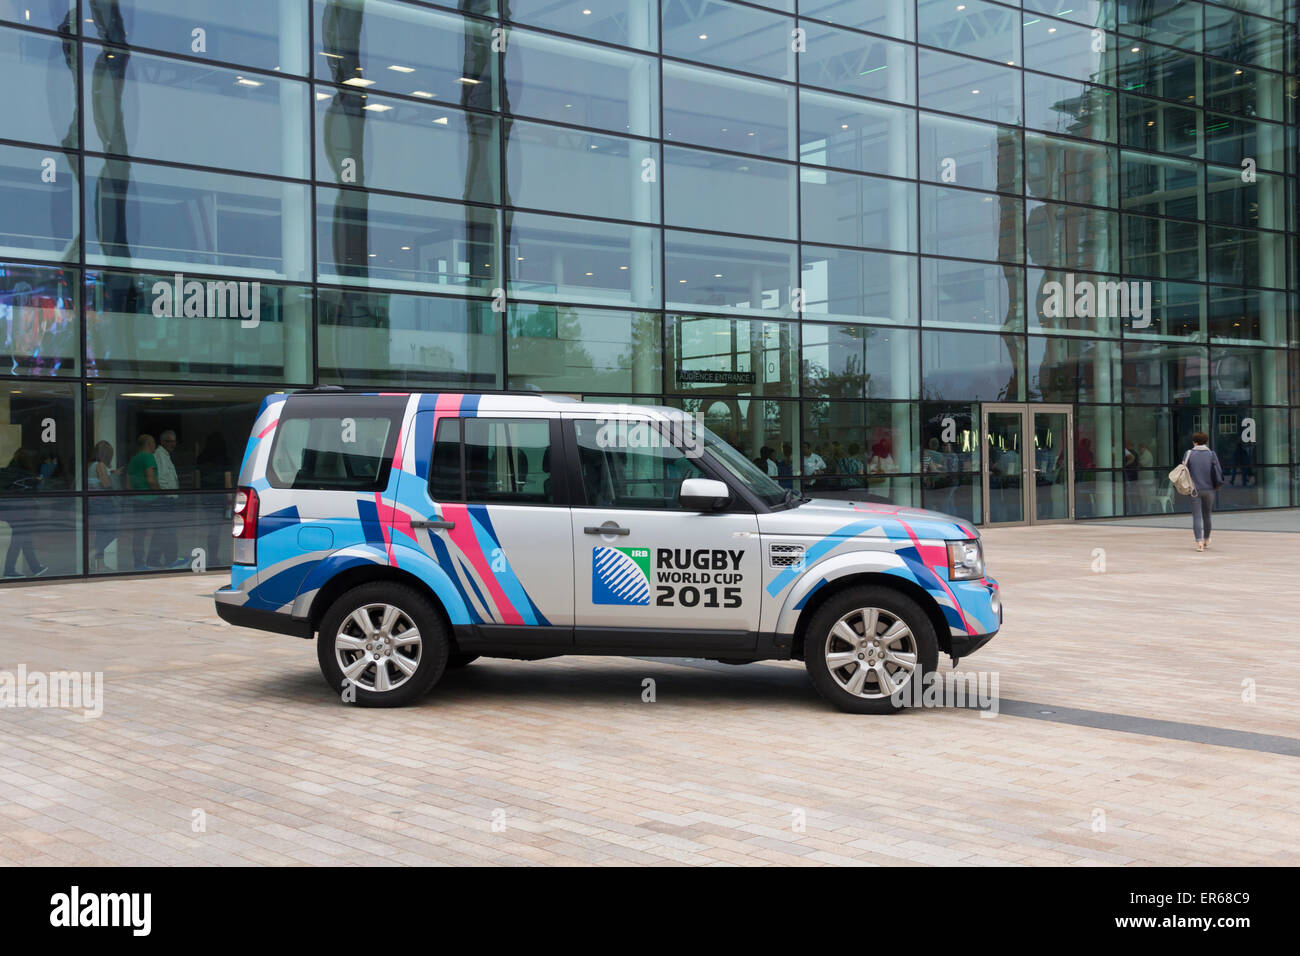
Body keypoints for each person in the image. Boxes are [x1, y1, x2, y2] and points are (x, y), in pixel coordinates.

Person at [0, 448, 47, 577]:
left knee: (24, 537)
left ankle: (35, 567)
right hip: (20, 511)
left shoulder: (3, 472)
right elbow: (36, 492)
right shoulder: (28, 476)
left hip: (6, 510)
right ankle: (9, 570)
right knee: (20, 538)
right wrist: (40, 482)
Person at [196, 431, 234, 567]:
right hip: (220, 497)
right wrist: (230, 500)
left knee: (211, 528)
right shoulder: (225, 459)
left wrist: (199, 495)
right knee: (216, 529)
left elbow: (197, 480)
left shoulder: (201, 458)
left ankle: (211, 557)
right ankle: (213, 558)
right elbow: (227, 480)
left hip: (206, 496)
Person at [1184, 431, 1223, 552]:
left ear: (1195, 442)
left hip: (1194, 490)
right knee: (1207, 516)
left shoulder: (1189, 454)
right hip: (1209, 489)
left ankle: (1199, 542)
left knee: (1197, 516)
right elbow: (1218, 470)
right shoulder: (1211, 454)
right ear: (1206, 442)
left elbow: (1184, 471)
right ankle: (1206, 539)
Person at [149, 428, 182, 568]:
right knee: (166, 531)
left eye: (174, 442)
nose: (172, 444)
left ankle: (162, 559)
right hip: (166, 499)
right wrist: (165, 496)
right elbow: (161, 479)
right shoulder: (160, 456)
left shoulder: (165, 455)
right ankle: (166, 559)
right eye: (169, 441)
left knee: (165, 531)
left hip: (169, 498)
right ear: (162, 442)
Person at [127, 434, 160, 571]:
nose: (155, 446)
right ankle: (152, 560)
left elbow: (128, 483)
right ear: (148, 444)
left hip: (136, 499)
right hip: (149, 500)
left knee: (139, 533)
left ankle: (138, 562)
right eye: (153, 442)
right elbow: (151, 479)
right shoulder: (148, 457)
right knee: (159, 531)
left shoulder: (134, 459)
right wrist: (161, 492)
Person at [88, 439, 121, 571]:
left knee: (101, 534)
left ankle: (100, 565)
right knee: (112, 532)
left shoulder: (91, 465)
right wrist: (115, 476)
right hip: (103, 504)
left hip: (95, 504)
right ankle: (93, 553)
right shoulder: (100, 465)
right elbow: (106, 484)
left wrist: (111, 473)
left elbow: (96, 481)